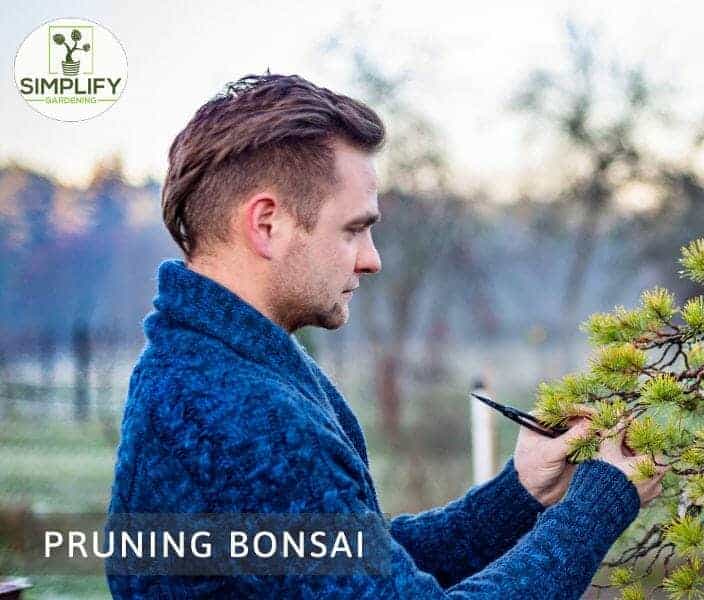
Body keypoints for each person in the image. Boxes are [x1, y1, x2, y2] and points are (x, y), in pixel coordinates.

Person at [105, 73, 666, 598]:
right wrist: (601, 501)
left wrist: (520, 493)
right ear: (267, 224)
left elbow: (361, 569)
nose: (371, 260)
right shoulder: (235, 410)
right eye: (354, 229)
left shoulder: (218, 368)